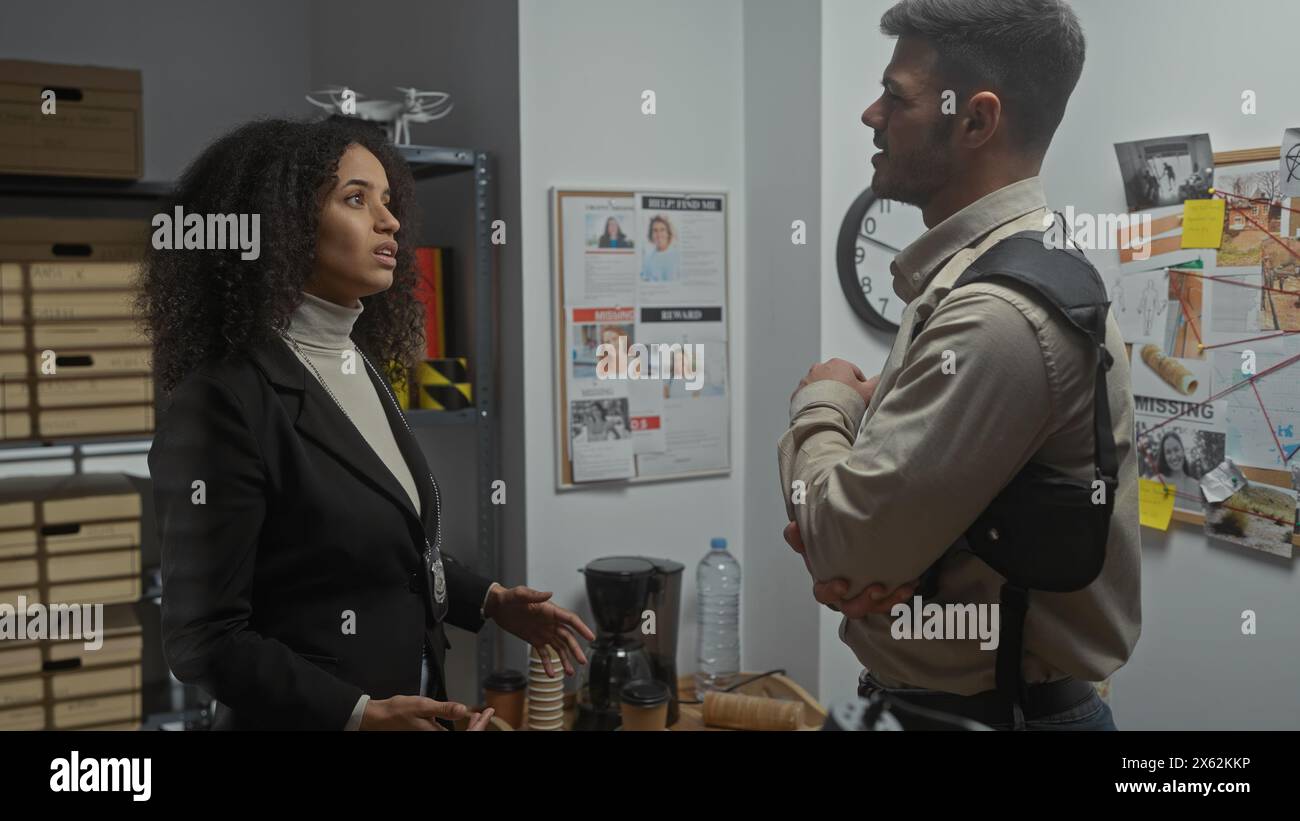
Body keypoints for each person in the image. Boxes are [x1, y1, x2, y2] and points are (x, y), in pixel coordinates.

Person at [142, 116, 594, 730]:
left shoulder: (356, 360)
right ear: (282, 224)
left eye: (388, 200)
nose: (391, 222)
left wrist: (488, 602)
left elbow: (381, 545)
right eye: (356, 199)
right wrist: (356, 715)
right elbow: (204, 639)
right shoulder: (222, 400)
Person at [778, 0, 1139, 731]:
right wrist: (866, 566)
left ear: (976, 121)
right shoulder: (971, 284)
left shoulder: (1001, 317)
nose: (871, 115)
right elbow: (868, 541)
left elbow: (843, 537)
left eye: (896, 96)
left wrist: (823, 401)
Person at [1156, 432, 1203, 505]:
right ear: (1164, 457)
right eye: (1168, 452)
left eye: (1176, 450)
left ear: (1183, 451)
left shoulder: (1197, 487)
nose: (1174, 457)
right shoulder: (1156, 483)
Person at [640, 215, 681, 282]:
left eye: (662, 230)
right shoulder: (647, 258)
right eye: (655, 230)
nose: (659, 234)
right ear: (651, 234)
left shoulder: (678, 255)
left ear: (668, 233)